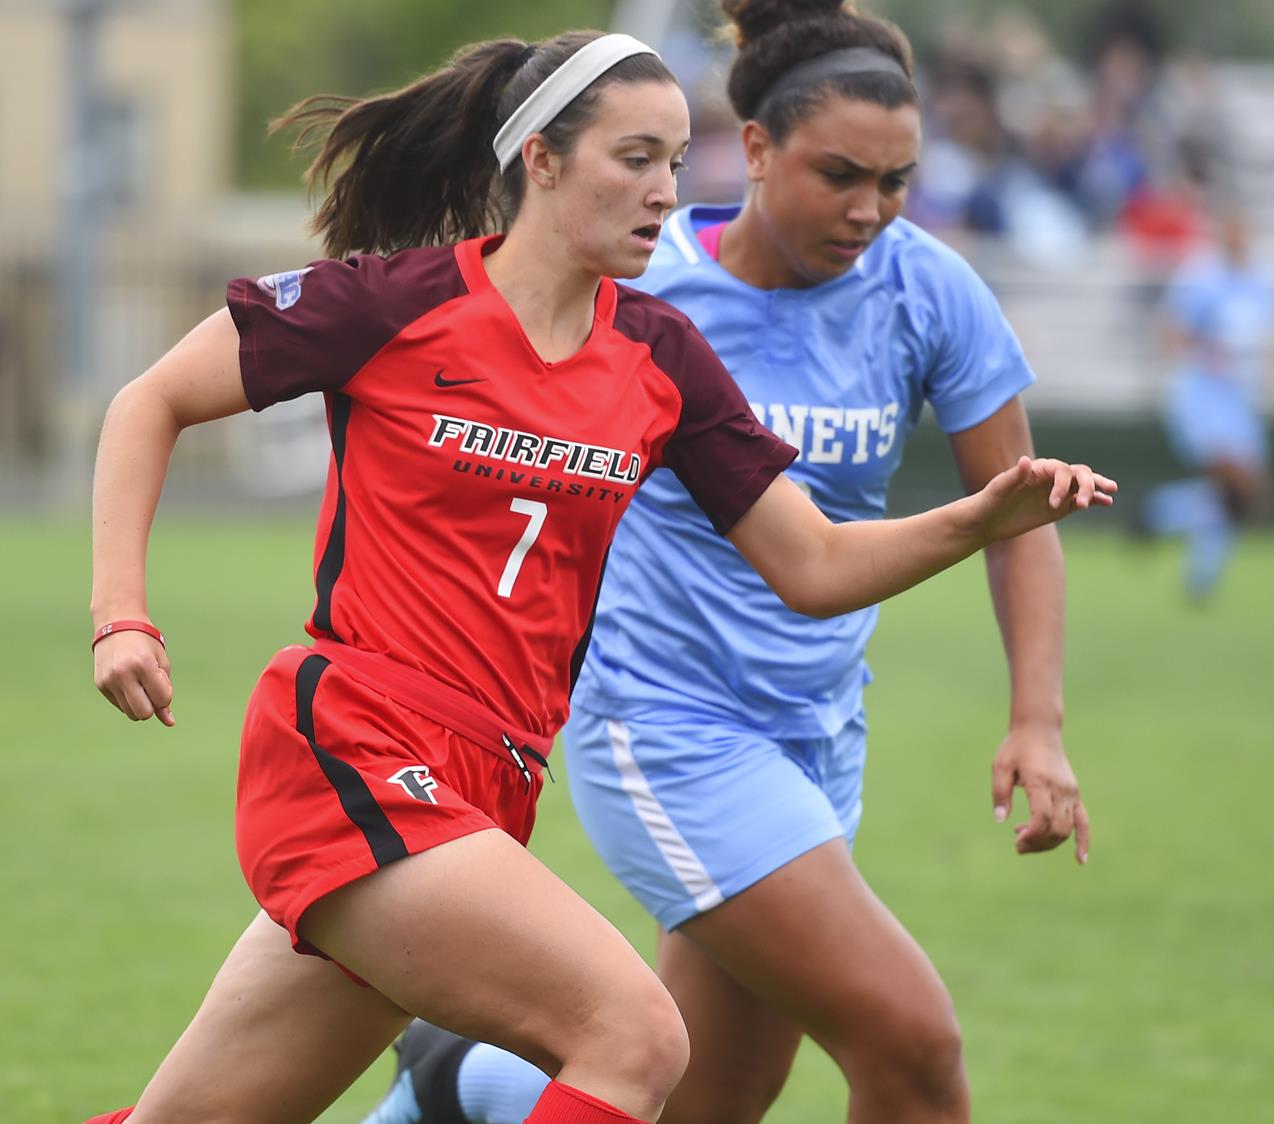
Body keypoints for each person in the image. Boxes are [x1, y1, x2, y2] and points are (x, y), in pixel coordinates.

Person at [82, 25, 1114, 1124]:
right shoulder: (390, 303)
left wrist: (973, 517)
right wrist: (119, 617)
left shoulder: (660, 353)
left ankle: (449, 1089)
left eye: (674, 161)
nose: (663, 190)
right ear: (539, 158)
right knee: (630, 1035)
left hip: (492, 777)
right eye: (633, 158)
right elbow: (150, 400)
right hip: (355, 748)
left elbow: (809, 565)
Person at [1137, 205, 1274, 602]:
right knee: (1231, 484)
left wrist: (1273, 373)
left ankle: (1163, 515)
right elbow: (1169, 329)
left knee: (1246, 497)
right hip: (1202, 394)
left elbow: (1266, 334)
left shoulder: (1262, 278)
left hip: (1239, 398)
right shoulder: (1201, 277)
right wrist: (1204, 353)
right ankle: (1199, 573)